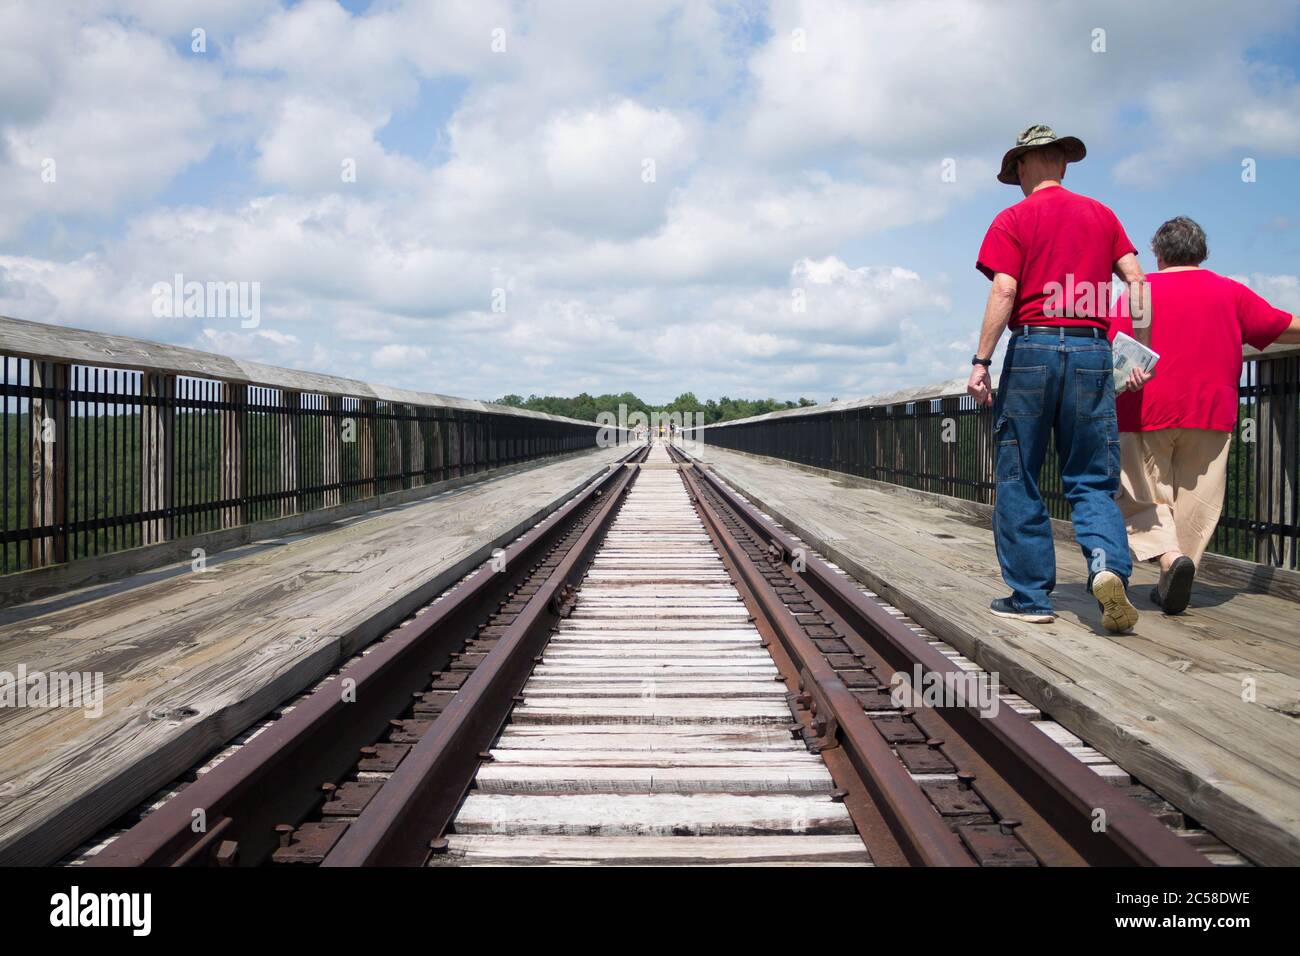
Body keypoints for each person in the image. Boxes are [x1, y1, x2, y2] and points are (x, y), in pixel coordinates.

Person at [967, 124, 1147, 633]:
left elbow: (1005, 291)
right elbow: (1136, 279)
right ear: (1063, 165)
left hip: (1034, 349)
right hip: (1093, 351)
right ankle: (1108, 566)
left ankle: (1031, 597)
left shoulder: (1013, 218)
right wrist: (1133, 346)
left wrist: (981, 361)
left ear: (1022, 168)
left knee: (1019, 471)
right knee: (1092, 477)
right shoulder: (1102, 215)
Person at [1111, 216, 1300, 613]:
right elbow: (1281, 326)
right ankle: (1176, 577)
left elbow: (1111, 346)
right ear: (1204, 252)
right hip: (1211, 412)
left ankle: (1167, 560)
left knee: (1143, 495)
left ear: (1157, 253)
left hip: (1144, 409)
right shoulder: (1230, 292)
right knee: (1198, 502)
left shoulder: (1137, 294)